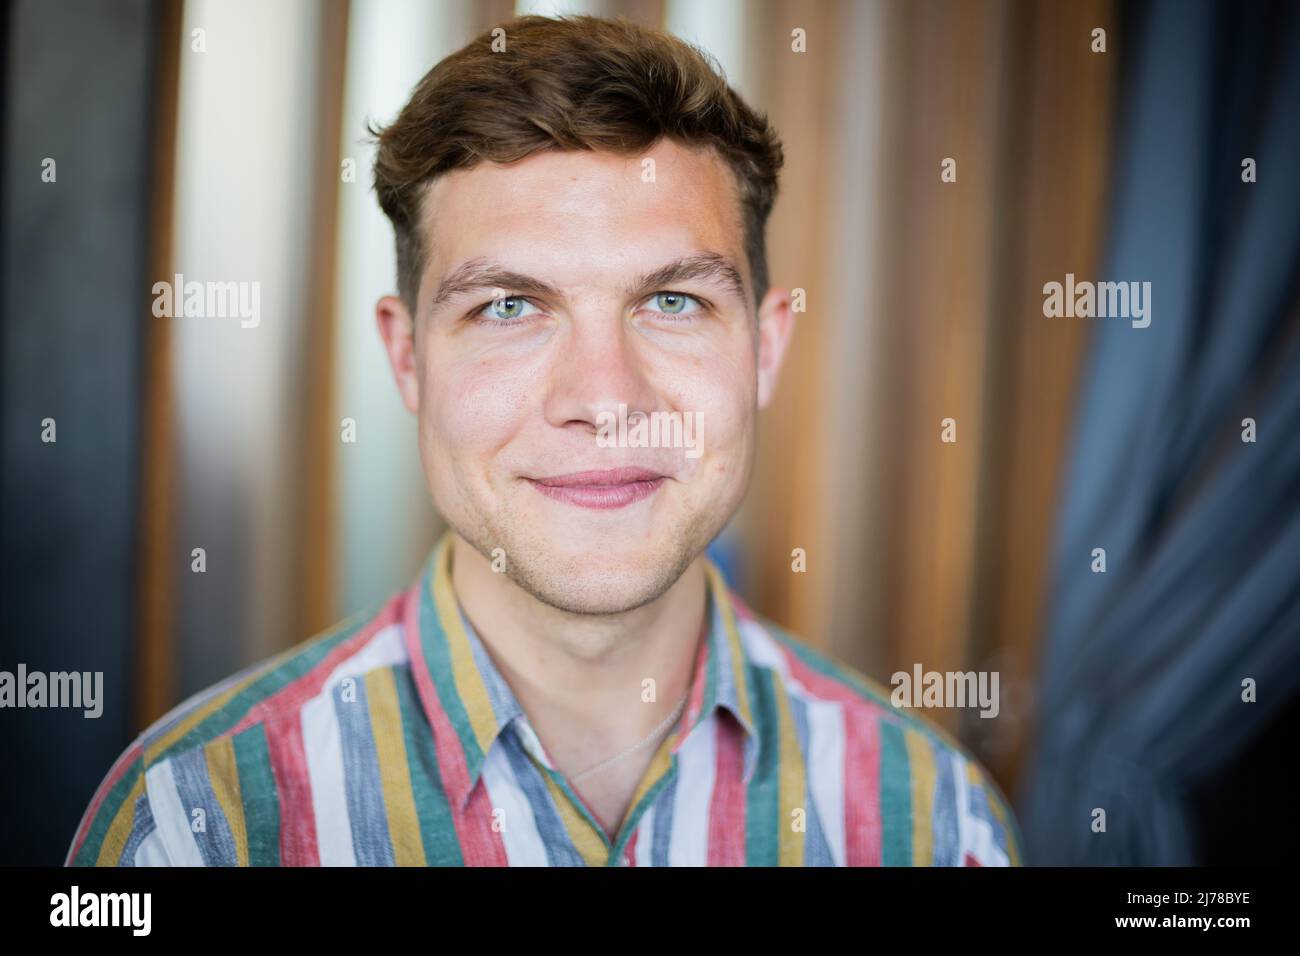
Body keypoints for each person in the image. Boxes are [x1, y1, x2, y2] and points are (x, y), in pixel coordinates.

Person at [68, 14, 1021, 867]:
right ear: (406, 360)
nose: (603, 400)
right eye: (510, 306)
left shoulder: (934, 825)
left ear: (765, 350)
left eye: (673, 301)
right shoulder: (195, 825)